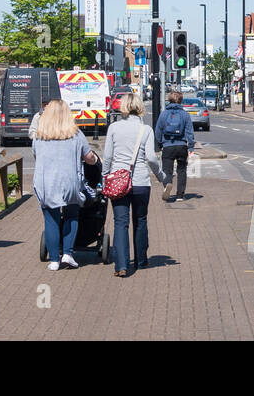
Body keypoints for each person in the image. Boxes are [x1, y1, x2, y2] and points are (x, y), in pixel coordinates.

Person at [103, 93, 167, 277]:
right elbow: (151, 159)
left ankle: (121, 265)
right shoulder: (145, 130)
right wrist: (161, 176)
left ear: (122, 107)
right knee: (140, 221)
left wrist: (104, 176)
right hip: (140, 182)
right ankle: (141, 260)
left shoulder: (113, 128)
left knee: (120, 223)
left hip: (118, 182)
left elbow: (107, 157)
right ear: (139, 107)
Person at [32, 99, 99, 271]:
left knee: (51, 218)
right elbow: (88, 157)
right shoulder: (75, 134)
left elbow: (36, 155)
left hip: (45, 181)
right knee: (71, 214)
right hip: (69, 180)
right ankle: (68, 254)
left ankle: (54, 260)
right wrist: (96, 160)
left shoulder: (40, 135)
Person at [156, 89, 195, 203]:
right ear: (181, 101)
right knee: (182, 170)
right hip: (182, 146)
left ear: (169, 100)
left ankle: (167, 184)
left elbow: (158, 131)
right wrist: (191, 147)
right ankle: (180, 195)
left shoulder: (164, 114)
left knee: (167, 170)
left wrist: (159, 144)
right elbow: (189, 132)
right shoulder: (185, 114)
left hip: (168, 146)